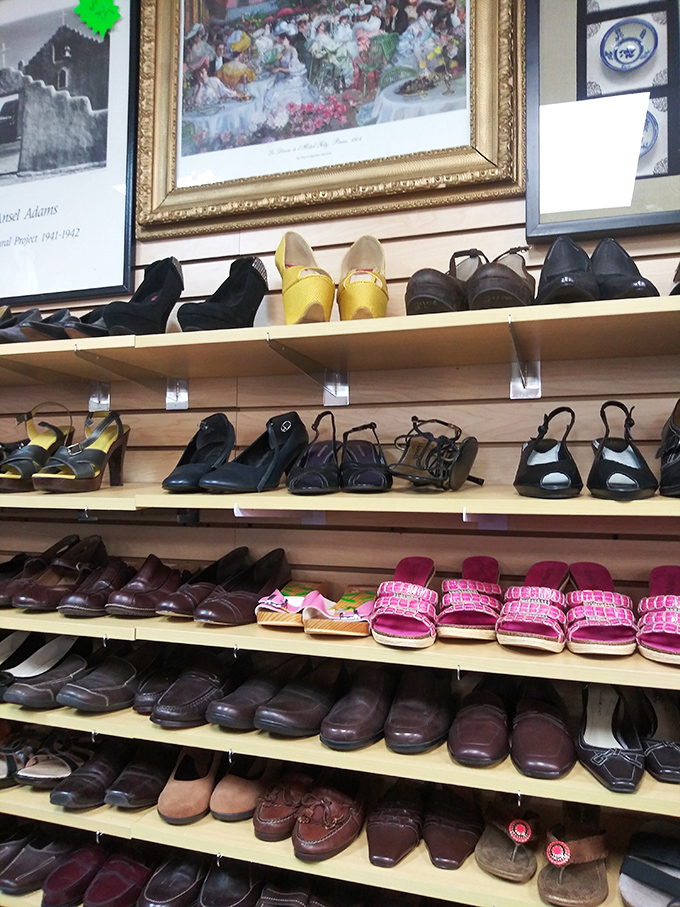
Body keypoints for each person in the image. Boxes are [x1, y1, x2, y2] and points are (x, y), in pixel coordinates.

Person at [263, 31, 317, 112]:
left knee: (276, 91)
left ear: (288, 39)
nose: (281, 41)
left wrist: (280, 69)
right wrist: (275, 68)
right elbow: (277, 63)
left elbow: (293, 69)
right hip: (284, 76)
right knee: (269, 88)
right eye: (281, 39)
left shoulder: (292, 51)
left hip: (293, 78)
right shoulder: (282, 51)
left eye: (283, 39)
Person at [391, 1, 439, 69]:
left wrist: (438, 39)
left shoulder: (426, 26)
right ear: (423, 13)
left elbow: (431, 35)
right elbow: (401, 46)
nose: (432, 15)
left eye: (433, 12)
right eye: (430, 12)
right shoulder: (414, 27)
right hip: (408, 58)